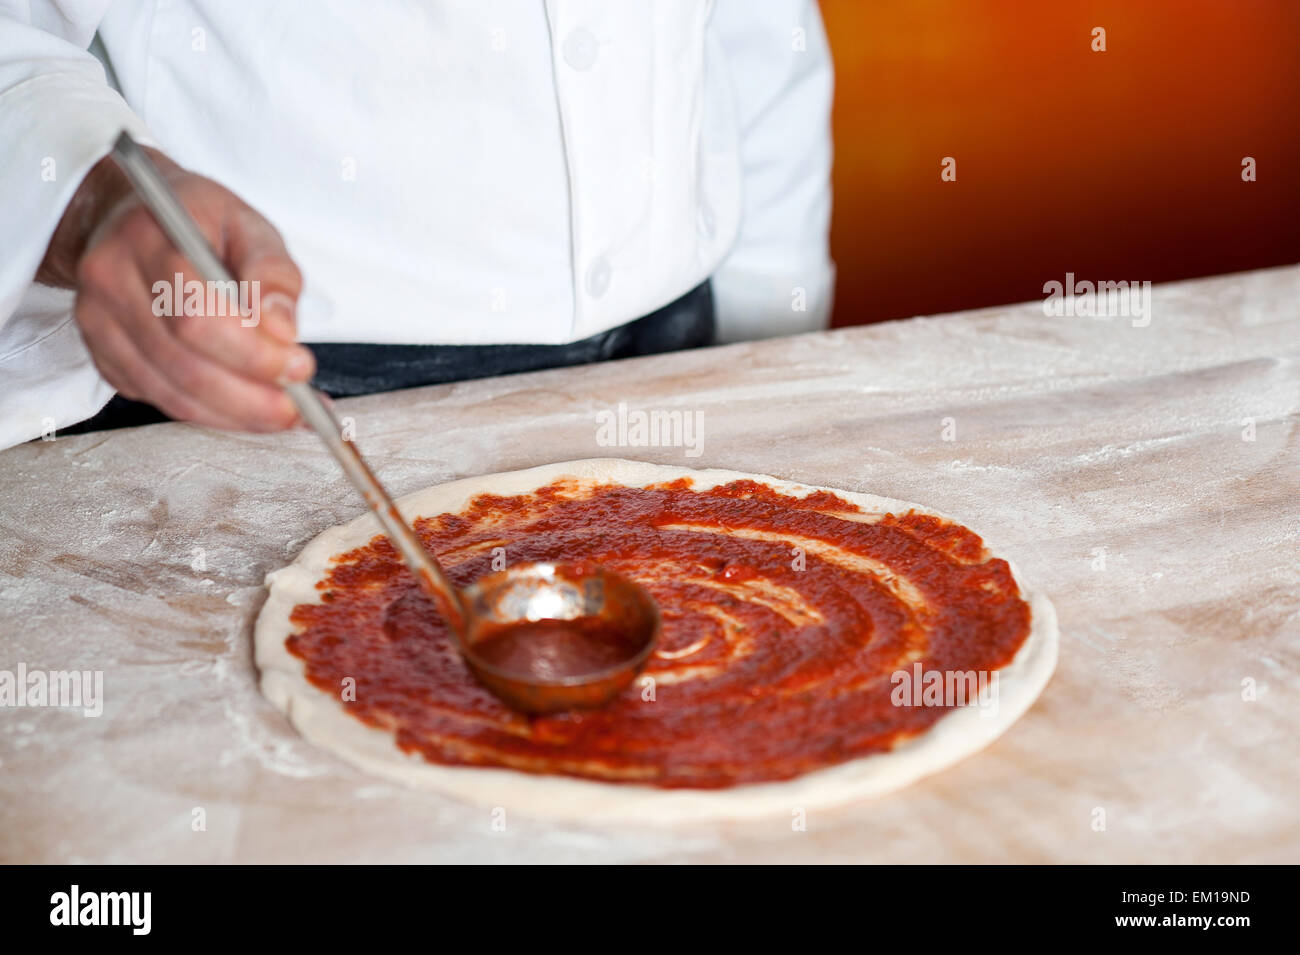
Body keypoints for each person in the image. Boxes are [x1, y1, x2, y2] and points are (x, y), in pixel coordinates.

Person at [0, 1, 833, 449]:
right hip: (276, 391)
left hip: (686, 355)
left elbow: (761, 33)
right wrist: (88, 200)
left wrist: (774, 355)